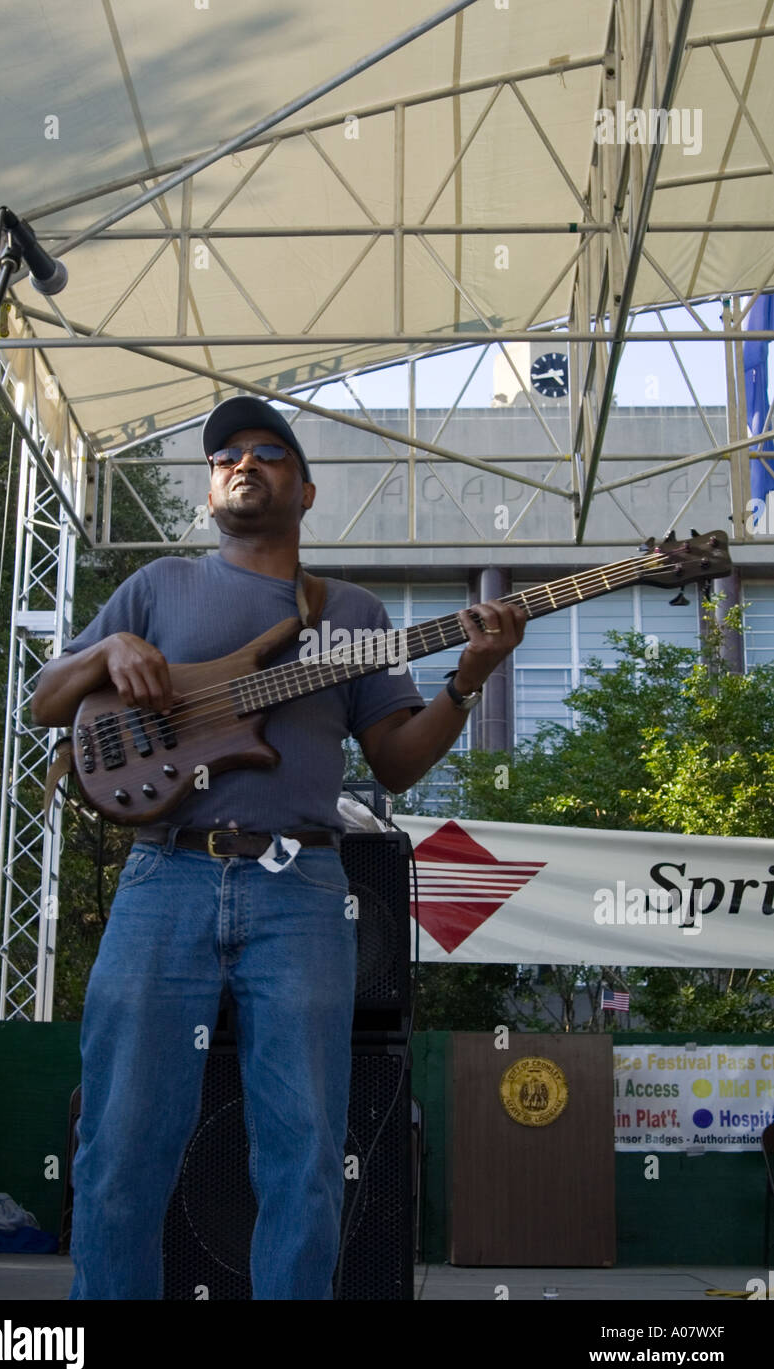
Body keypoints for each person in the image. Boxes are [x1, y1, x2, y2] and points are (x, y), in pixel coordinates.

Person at [31, 395, 526, 1300]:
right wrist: (108, 657)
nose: (241, 463)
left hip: (302, 889)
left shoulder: (354, 611)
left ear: (306, 489)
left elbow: (397, 764)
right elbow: (44, 701)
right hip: (163, 874)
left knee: (303, 1152)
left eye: (266, 452)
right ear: (212, 487)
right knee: (119, 1144)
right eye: (224, 456)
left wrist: (467, 679)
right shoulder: (158, 588)